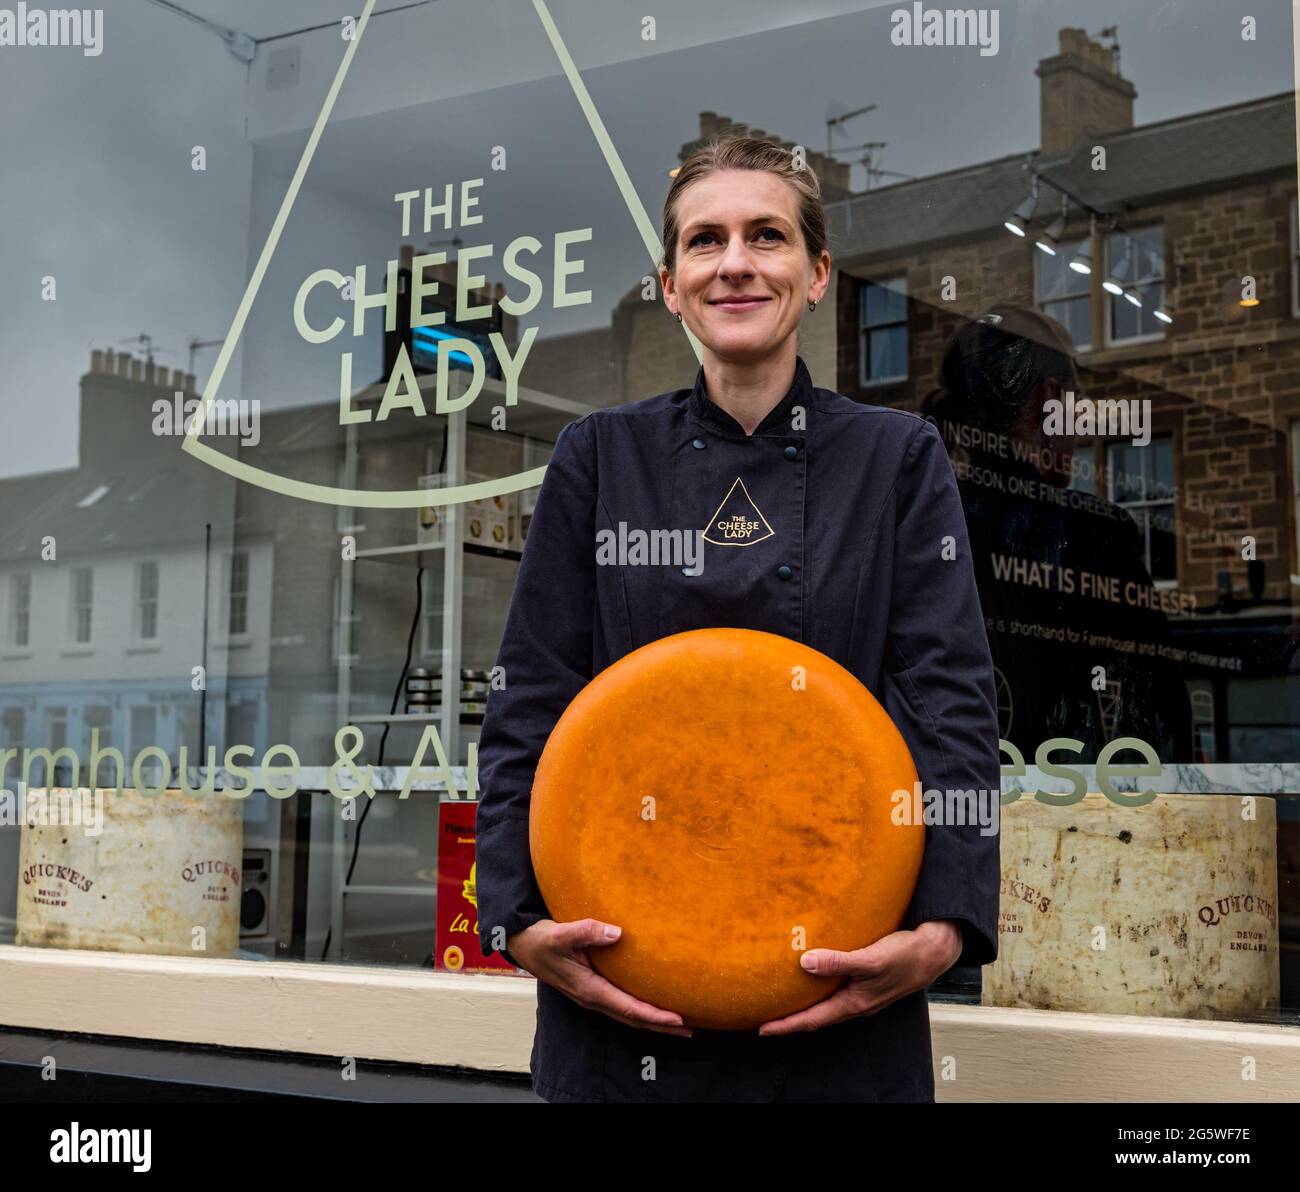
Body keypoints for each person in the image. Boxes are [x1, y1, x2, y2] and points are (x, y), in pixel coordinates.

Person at [475, 135, 1001, 1102]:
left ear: (816, 274)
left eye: (768, 236)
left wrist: (943, 929)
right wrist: (514, 917)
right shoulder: (599, 458)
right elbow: (531, 701)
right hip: (622, 1007)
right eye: (705, 241)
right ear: (670, 284)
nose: (736, 263)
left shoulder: (897, 459)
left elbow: (949, 700)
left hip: (843, 1010)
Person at [920, 304, 1193, 763]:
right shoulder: (1095, 534)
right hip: (1069, 815)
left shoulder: (918, 524)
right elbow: (1159, 730)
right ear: (1051, 401)